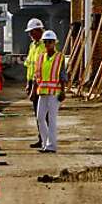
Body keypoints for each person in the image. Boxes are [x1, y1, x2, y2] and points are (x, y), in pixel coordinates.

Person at [34, 30, 67, 153]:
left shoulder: (59, 58)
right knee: (40, 118)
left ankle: (51, 146)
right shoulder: (41, 57)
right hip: (42, 92)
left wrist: (63, 91)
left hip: (55, 93)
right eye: (46, 42)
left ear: (55, 43)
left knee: (52, 119)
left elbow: (62, 75)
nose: (48, 44)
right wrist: (34, 90)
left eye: (50, 42)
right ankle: (45, 142)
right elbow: (36, 75)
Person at [23, 18, 46, 149]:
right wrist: (28, 83)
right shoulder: (33, 46)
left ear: (39, 31)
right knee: (38, 114)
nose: (30, 35)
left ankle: (44, 139)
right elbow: (29, 65)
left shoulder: (44, 46)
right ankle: (41, 137)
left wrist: (33, 89)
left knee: (43, 115)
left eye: (32, 32)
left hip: (40, 84)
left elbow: (40, 69)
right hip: (33, 82)